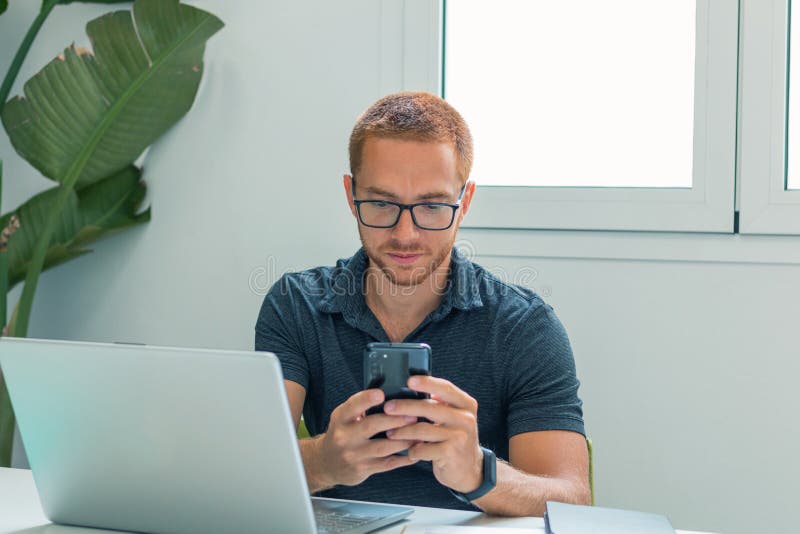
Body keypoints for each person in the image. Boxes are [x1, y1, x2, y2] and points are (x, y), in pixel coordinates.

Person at [255, 91, 589, 516]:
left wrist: (476, 471)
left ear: (463, 202)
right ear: (350, 194)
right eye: (381, 203)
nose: (406, 234)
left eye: (432, 206)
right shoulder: (295, 306)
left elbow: (573, 500)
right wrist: (325, 461)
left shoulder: (524, 327)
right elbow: (252, 472)